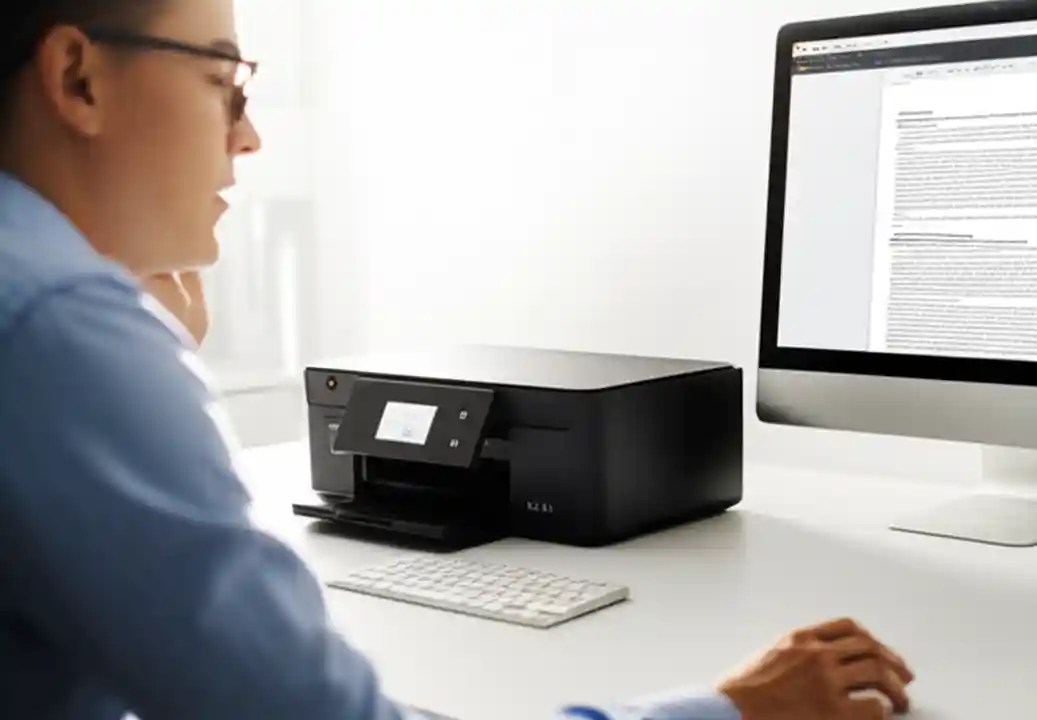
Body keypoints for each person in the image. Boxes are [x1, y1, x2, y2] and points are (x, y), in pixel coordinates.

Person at [0, 1, 916, 718]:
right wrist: (729, 711)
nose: (249, 135)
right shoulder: (59, 327)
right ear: (78, 76)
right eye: (225, 80)